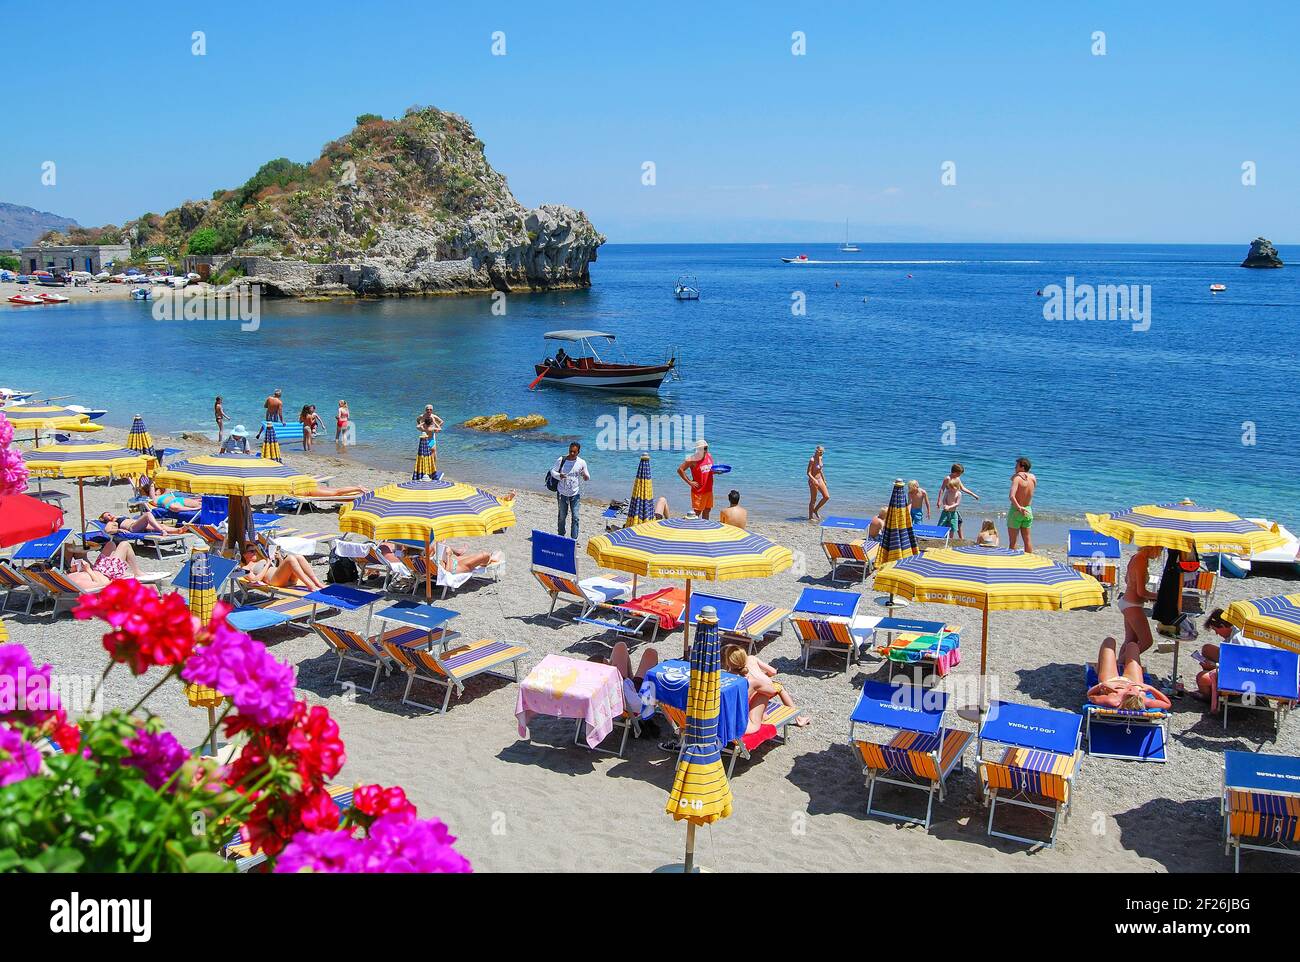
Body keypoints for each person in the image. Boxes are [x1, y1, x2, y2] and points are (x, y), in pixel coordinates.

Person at [722, 644, 811, 733]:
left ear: (727, 661)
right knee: (765, 693)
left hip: (724, 724)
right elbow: (773, 689)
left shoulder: (722, 678)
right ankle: (796, 718)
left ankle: (763, 713)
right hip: (743, 728)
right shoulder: (751, 680)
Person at [1194, 608, 1269, 710]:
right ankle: (1213, 686)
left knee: (1202, 678)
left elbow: (1238, 667)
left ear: (1222, 626)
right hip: (1256, 666)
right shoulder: (1238, 629)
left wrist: (1213, 667)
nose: (1217, 634)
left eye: (1216, 630)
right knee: (1207, 649)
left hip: (1248, 676)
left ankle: (1211, 697)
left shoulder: (1238, 639)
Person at [1086, 637, 1172, 711]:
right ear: (1138, 696)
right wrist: (1151, 688)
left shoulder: (1113, 701)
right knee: (1132, 645)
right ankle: (1119, 662)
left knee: (1109, 642)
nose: (1129, 688)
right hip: (1134, 682)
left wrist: (1102, 685)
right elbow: (1167, 704)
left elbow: (1090, 695)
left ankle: (1100, 668)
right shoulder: (1143, 701)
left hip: (1111, 681)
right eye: (1133, 691)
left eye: (1128, 692)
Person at [1119, 545, 1161, 654]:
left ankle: (1118, 666)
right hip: (1132, 605)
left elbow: (1127, 580)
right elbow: (1141, 591)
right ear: (1152, 547)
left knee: (1130, 641)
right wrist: (1161, 597)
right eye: (1160, 549)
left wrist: (1146, 597)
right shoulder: (1140, 560)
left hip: (1127, 602)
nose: (1159, 554)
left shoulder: (1136, 557)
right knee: (1146, 642)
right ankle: (1121, 662)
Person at [239, 546, 325, 591]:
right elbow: (254, 580)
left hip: (286, 578)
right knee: (290, 558)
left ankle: (317, 583)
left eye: (255, 551)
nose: (255, 553)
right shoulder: (245, 568)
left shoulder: (261, 560)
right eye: (251, 551)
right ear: (244, 555)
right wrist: (268, 563)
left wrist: (280, 558)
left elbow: (279, 569)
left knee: (299, 557)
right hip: (275, 581)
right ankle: (310, 586)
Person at [550, 441, 589, 540]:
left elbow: (587, 477)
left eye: (574, 452)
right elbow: (552, 471)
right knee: (562, 516)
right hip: (562, 494)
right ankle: (561, 537)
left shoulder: (581, 462)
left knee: (575, 517)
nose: (571, 454)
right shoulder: (561, 460)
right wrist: (559, 475)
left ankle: (574, 540)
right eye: (570, 451)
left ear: (578, 452)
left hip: (575, 494)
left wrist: (584, 475)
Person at [937, 463, 979, 540]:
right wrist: (939, 501)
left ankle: (960, 538)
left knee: (958, 522)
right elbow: (942, 489)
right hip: (948, 503)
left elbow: (963, 488)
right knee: (947, 522)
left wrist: (973, 494)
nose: (960, 475)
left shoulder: (957, 479)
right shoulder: (947, 478)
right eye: (959, 473)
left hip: (954, 505)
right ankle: (946, 537)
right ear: (955, 472)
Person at [677, 439, 715, 520]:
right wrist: (690, 482)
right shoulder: (692, 459)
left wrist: (716, 472)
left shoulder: (709, 456)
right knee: (697, 513)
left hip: (709, 489)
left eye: (705, 448)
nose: (704, 451)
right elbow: (680, 470)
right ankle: (690, 527)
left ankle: (705, 528)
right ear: (698, 449)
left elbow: (709, 470)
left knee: (707, 510)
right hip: (699, 491)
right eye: (702, 449)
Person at [1007, 457, 1037, 552]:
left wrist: (1019, 508)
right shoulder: (1033, 477)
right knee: (1027, 540)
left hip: (1017, 510)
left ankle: (1012, 562)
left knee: (1013, 542)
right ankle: (1029, 561)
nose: (1015, 468)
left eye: (1016, 466)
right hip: (1028, 510)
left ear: (1022, 467)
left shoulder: (1017, 479)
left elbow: (1012, 496)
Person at [97, 511, 183, 537]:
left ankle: (178, 530)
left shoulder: (118, 516)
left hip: (138, 525)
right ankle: (162, 531)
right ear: (105, 519)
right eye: (107, 516)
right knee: (148, 514)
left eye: (109, 513)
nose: (110, 515)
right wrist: (119, 530)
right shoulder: (111, 522)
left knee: (162, 525)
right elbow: (107, 531)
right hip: (133, 528)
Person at [417, 405, 444, 472]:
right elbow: (417, 420)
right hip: (425, 432)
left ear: (432, 410)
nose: (429, 411)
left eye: (430, 409)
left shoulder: (433, 416)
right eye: (427, 409)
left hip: (431, 432)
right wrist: (422, 424)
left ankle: (433, 465)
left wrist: (435, 426)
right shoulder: (422, 416)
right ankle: (427, 466)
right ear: (425, 410)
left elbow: (441, 421)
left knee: (433, 451)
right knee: (427, 451)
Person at [807, 446, 829, 521]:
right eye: (820, 451)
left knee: (826, 497)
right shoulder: (812, 460)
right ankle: (810, 517)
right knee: (813, 499)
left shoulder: (820, 458)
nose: (822, 453)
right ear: (816, 451)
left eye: (822, 452)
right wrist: (814, 480)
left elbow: (820, 470)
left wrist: (824, 479)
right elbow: (808, 473)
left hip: (820, 479)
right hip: (813, 481)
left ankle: (815, 510)